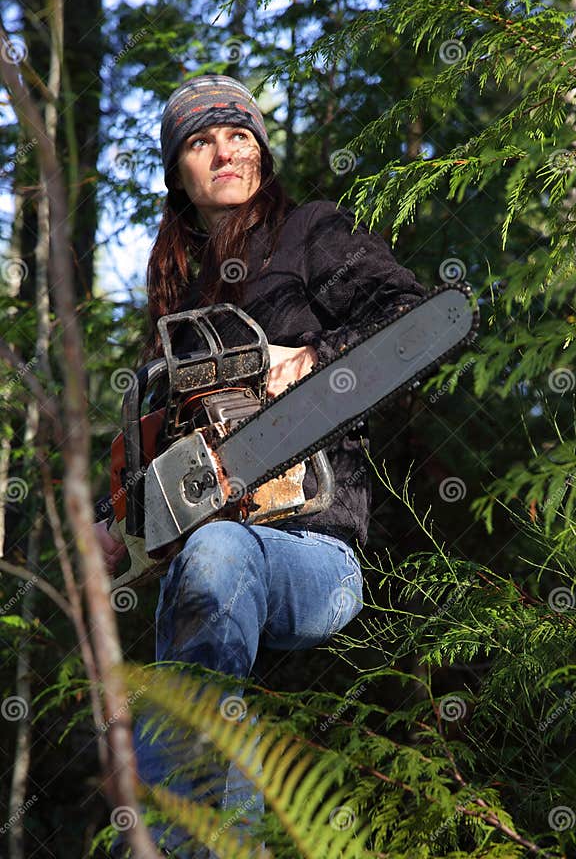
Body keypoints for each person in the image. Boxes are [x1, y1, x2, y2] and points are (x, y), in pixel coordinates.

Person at [98, 73, 426, 858]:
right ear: (179, 169)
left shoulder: (311, 232)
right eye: (201, 140)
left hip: (316, 550)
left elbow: (414, 318)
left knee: (217, 556)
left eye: (238, 134)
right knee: (188, 667)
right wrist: (121, 522)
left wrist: (319, 355)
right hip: (202, 563)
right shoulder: (177, 299)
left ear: (261, 149)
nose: (224, 152)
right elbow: (157, 447)